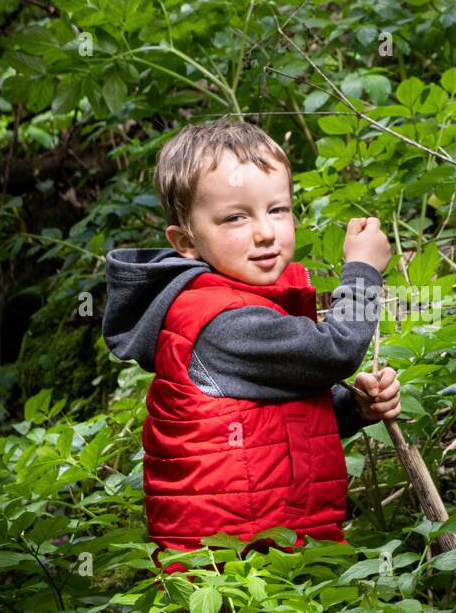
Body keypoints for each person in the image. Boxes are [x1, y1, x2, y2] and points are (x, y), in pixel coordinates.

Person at [103, 118, 401, 576]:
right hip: (230, 578)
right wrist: (362, 271)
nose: (265, 232)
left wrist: (353, 408)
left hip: (273, 556)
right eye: (235, 218)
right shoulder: (220, 319)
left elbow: (274, 423)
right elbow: (337, 351)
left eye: (277, 210)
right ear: (185, 242)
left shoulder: (247, 304)